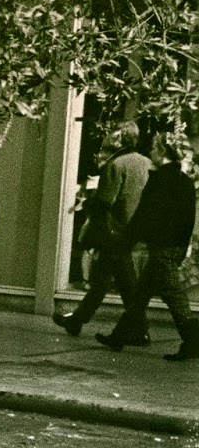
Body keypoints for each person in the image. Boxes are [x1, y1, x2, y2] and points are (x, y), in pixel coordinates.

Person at [98, 131, 197, 361]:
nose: (150, 151)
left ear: (162, 152)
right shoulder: (184, 182)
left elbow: (144, 217)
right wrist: (182, 248)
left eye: (154, 148)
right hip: (175, 246)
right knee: (142, 292)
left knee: (174, 295)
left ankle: (193, 341)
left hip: (162, 248)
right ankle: (121, 335)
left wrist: (125, 243)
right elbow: (187, 220)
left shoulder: (160, 180)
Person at [55, 122, 152, 338]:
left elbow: (105, 202)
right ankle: (80, 320)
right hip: (133, 230)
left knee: (109, 282)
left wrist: (90, 210)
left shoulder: (115, 165)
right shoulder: (147, 163)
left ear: (119, 140)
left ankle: (138, 327)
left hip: (113, 232)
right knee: (110, 281)